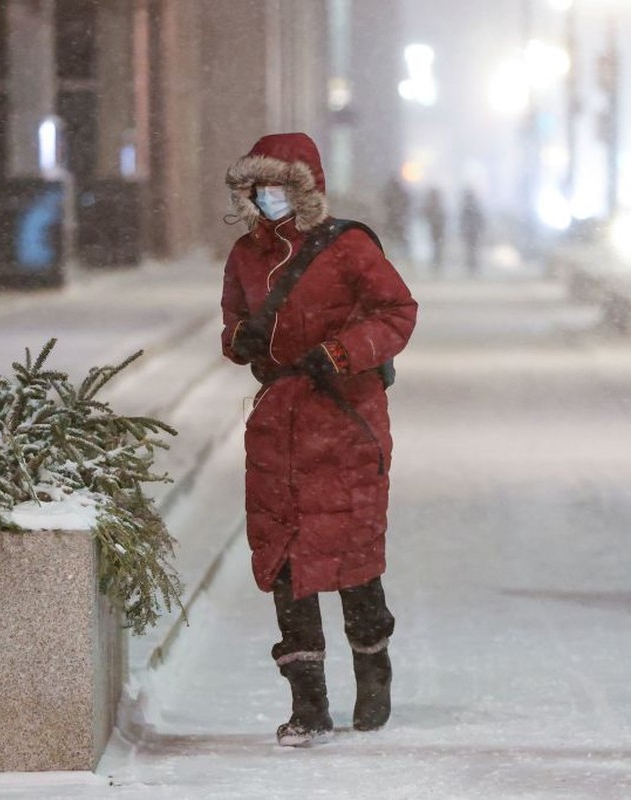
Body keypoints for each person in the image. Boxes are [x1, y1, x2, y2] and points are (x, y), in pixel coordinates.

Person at [221, 132, 418, 747]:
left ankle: (373, 671)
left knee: (352, 554)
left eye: (279, 187)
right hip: (278, 421)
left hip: (344, 417)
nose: (267, 198)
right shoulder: (245, 255)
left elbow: (397, 312)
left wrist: (340, 352)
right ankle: (308, 705)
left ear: (305, 189)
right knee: (285, 559)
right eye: (258, 188)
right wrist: (239, 343)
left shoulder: (348, 247)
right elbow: (232, 317)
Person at [459, 187, 486, 277]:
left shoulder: (468, 206)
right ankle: (472, 267)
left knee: (471, 250)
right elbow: (480, 219)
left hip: (471, 231)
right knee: (472, 250)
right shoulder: (472, 206)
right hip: (473, 231)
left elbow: (463, 220)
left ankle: (472, 266)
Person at [422, 187, 447, 274]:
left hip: (437, 231)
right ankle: (436, 264)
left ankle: (437, 264)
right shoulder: (434, 205)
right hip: (436, 231)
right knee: (436, 248)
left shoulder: (436, 206)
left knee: (437, 248)